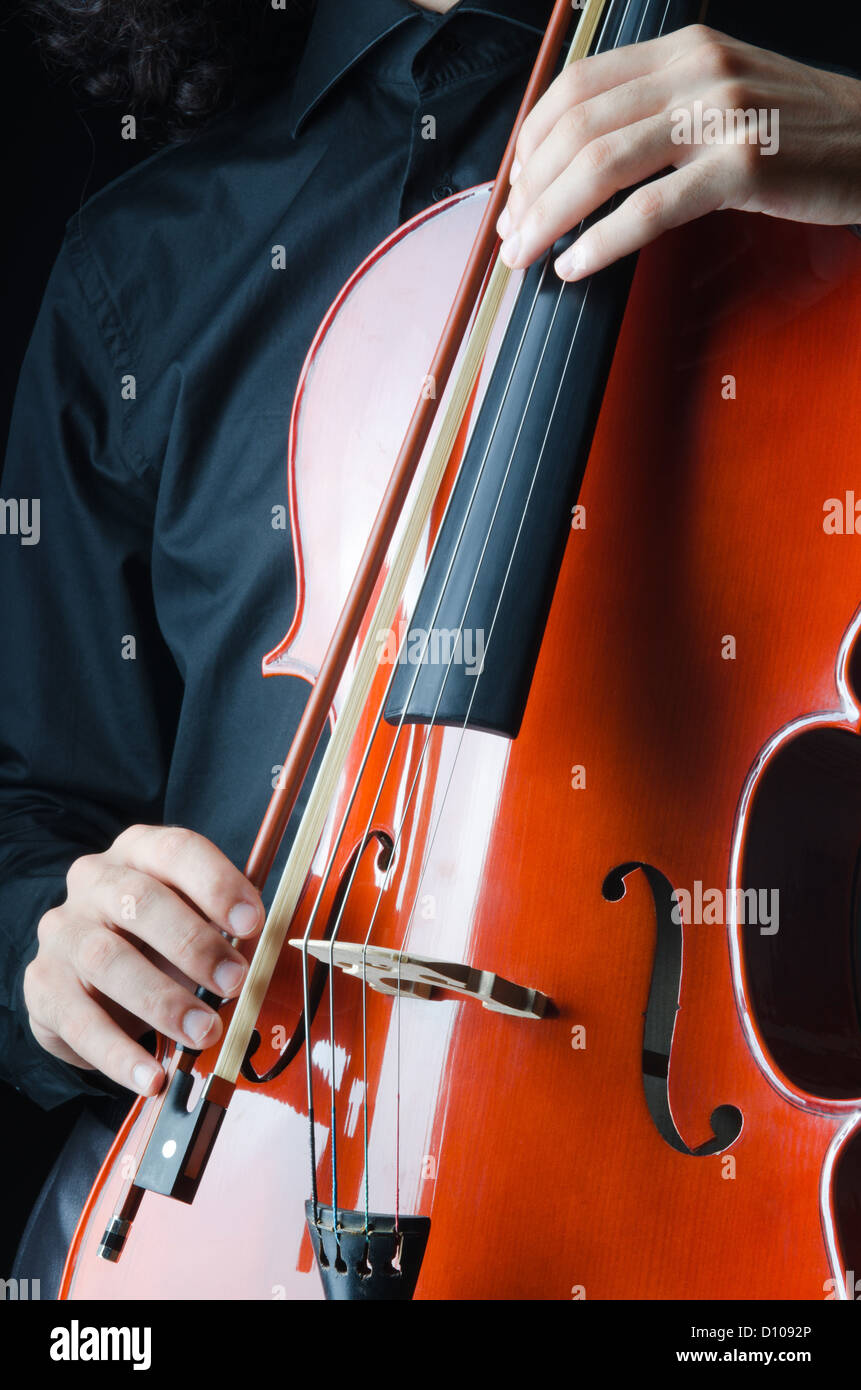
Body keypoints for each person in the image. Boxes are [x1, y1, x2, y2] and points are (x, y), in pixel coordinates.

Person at [3, 0, 860, 1297]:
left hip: (699, 1207)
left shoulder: (816, 168)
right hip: (237, 1196)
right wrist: (56, 950)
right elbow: (30, 810)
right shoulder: (144, 264)